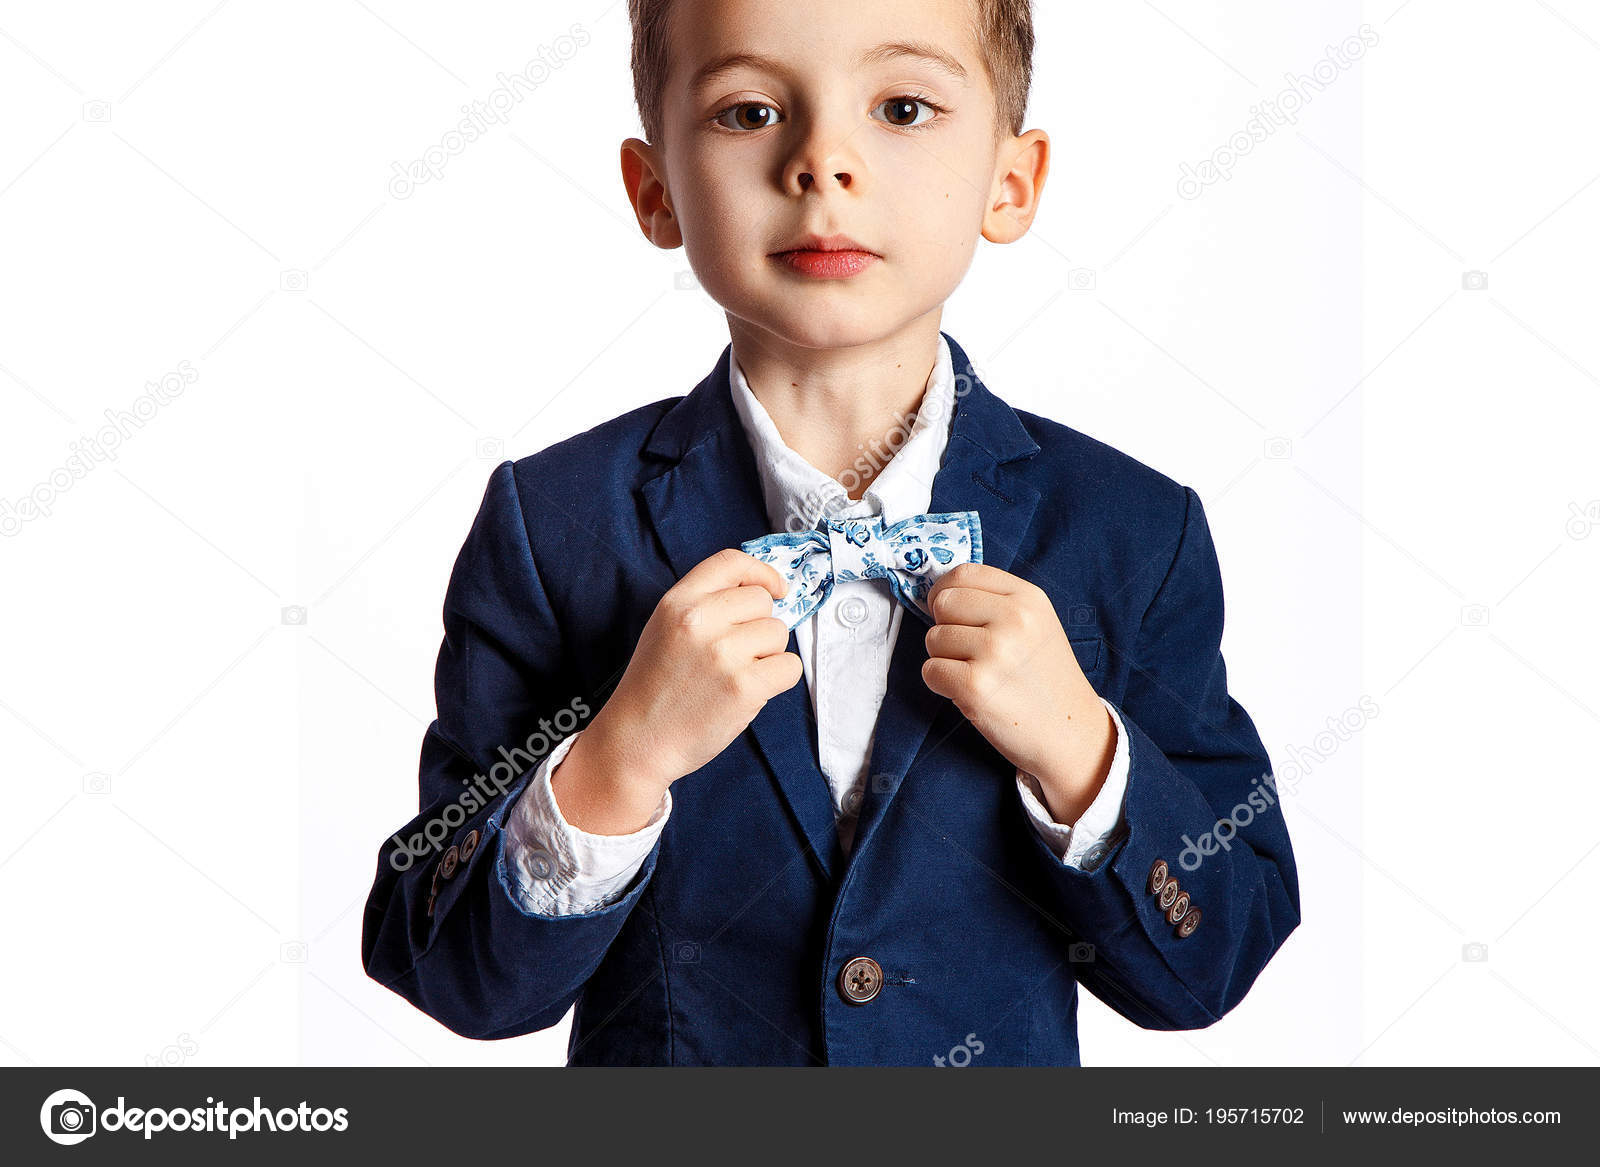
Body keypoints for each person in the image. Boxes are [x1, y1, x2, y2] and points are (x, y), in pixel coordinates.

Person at [361, 0, 1300, 1065]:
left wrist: (1081, 753)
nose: (823, 162)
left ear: (1011, 181)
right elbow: (449, 970)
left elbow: (1213, 960)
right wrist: (617, 762)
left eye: (902, 107)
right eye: (749, 111)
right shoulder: (550, 523)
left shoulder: (1134, 530)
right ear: (654, 188)